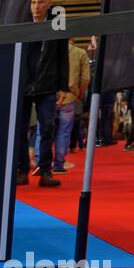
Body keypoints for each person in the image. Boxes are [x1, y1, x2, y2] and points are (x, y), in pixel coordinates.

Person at [16, 0, 67, 188]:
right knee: (20, 130)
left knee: (47, 128)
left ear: (49, 4)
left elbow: (62, 57)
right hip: (24, 85)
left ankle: (45, 171)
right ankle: (22, 170)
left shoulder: (58, 19)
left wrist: (63, 86)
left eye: (41, 3)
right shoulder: (23, 21)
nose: (36, 7)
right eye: (33, 3)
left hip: (48, 86)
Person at [38, 39, 90, 174]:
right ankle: (59, 164)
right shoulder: (80, 53)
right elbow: (85, 78)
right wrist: (80, 93)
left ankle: (40, 162)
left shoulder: (48, 50)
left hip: (48, 95)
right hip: (70, 96)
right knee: (64, 132)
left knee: (43, 129)